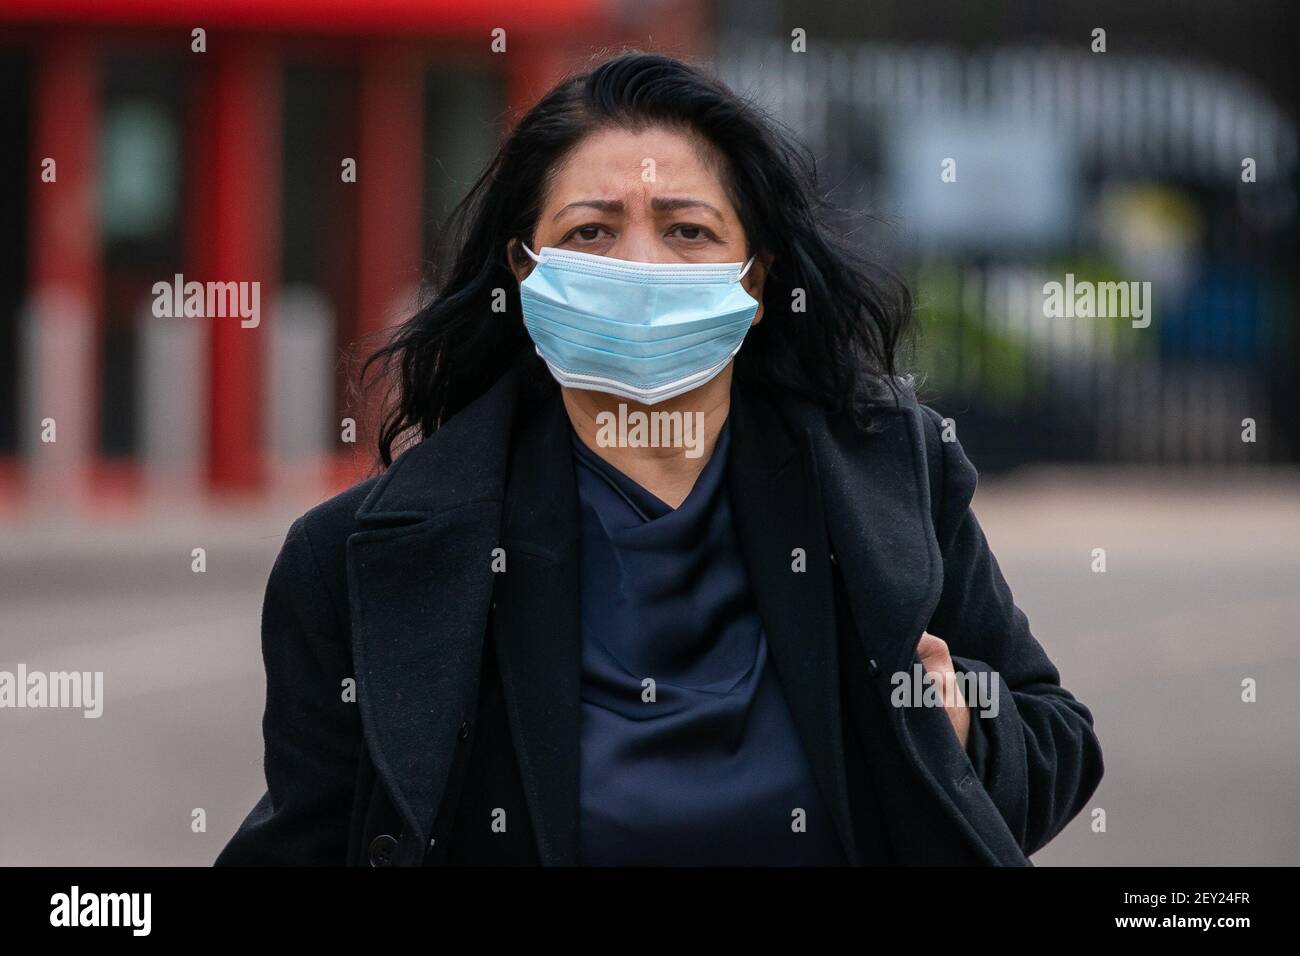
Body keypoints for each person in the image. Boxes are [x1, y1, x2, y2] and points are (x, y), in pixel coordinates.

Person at [215, 51, 1102, 867]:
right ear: (523, 275)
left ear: (755, 285)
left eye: (687, 231)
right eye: (592, 233)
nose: (639, 263)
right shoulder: (362, 559)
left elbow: (1055, 736)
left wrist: (961, 727)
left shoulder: (889, 478)